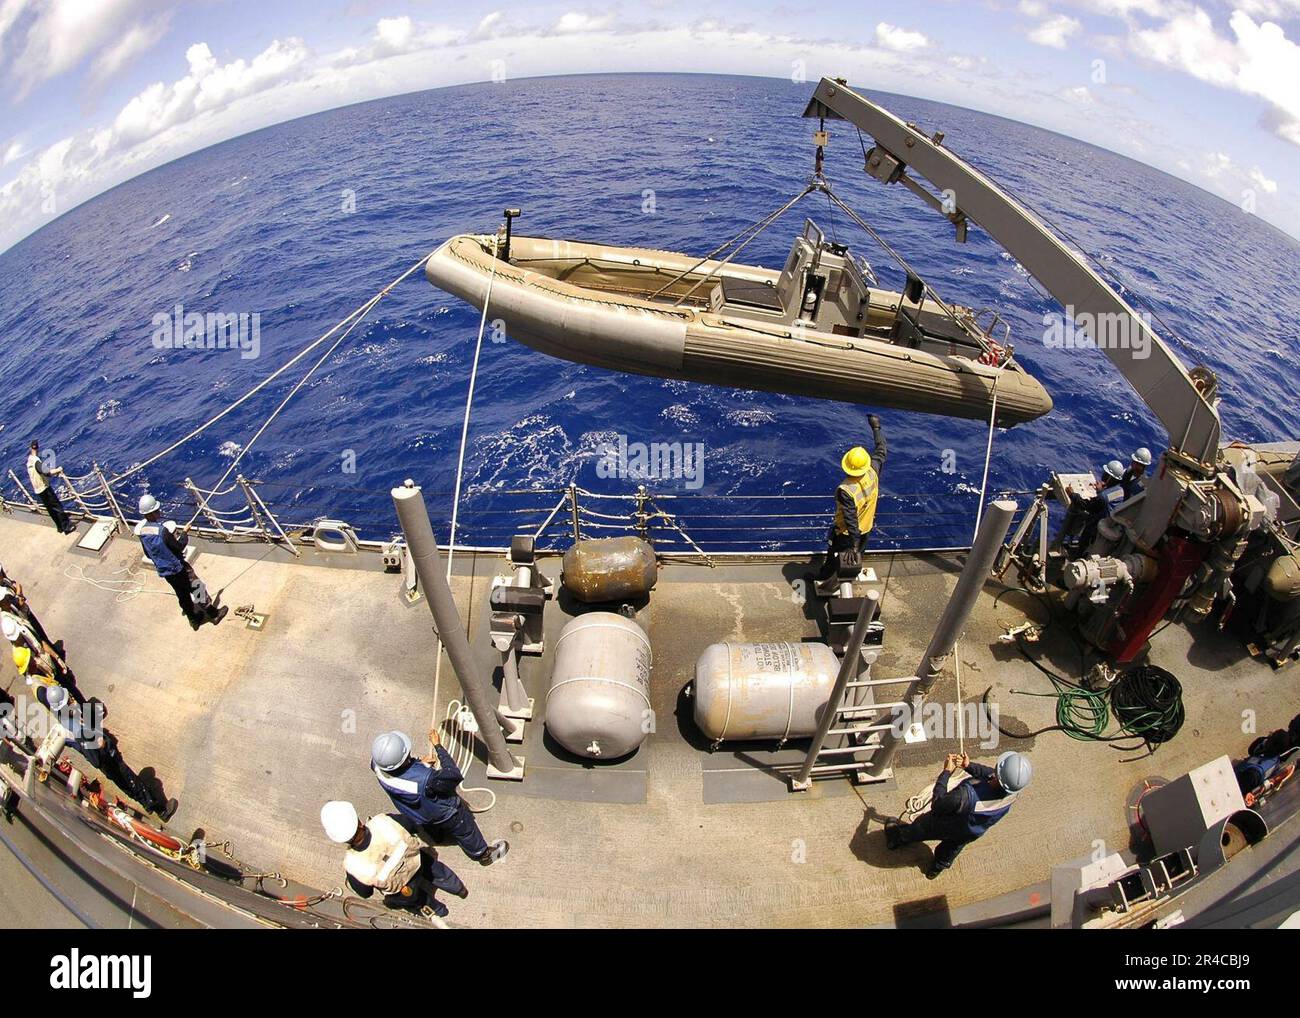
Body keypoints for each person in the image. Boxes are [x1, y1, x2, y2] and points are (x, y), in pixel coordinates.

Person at [371, 728, 509, 866]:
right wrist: (438, 746)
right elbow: (453, 775)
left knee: (431, 825)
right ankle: (483, 855)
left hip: (419, 815)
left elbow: (401, 772)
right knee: (466, 832)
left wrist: (420, 764)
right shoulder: (426, 780)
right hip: (446, 814)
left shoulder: (378, 766)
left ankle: (437, 836)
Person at [885, 750, 1031, 879]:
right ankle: (936, 869)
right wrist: (968, 766)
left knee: (921, 827)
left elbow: (937, 805)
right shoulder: (1012, 792)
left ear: (999, 775)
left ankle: (897, 838)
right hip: (970, 832)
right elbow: (989, 774)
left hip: (946, 824)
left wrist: (946, 772)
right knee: (950, 849)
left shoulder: (963, 797)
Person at [42, 685, 177, 820]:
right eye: (68, 700)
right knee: (130, 782)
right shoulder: (77, 730)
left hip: (107, 756)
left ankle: (148, 801)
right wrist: (101, 746)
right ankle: (160, 810)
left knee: (129, 783)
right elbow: (95, 760)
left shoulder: (62, 715)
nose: (71, 700)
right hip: (108, 760)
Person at [321, 801, 468, 919]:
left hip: (402, 889)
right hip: (418, 861)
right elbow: (411, 825)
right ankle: (459, 889)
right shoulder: (384, 822)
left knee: (417, 902)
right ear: (358, 821)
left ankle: (439, 912)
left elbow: (366, 893)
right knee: (437, 871)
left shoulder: (353, 865)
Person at [135, 494, 227, 630]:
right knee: (197, 587)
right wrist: (184, 533)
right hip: (179, 569)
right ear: (153, 512)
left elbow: (148, 554)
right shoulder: (163, 531)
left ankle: (193, 619)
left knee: (182, 594)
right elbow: (179, 546)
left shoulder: (143, 532)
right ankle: (214, 614)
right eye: (157, 510)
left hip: (165, 572)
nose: (159, 511)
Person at [820, 414, 887, 582]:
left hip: (846, 534)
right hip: (867, 527)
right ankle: (848, 577)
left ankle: (822, 580)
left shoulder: (846, 490)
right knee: (856, 557)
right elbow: (881, 449)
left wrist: (852, 545)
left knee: (833, 556)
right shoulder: (873, 469)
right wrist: (876, 428)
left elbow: (850, 519)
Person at [2, 611, 85, 705]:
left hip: (49, 665)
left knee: (69, 685)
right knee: (63, 699)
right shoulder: (19, 655)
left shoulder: (25, 632)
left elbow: (41, 643)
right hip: (46, 679)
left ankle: (86, 708)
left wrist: (57, 657)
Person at [26, 440, 74, 534]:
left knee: (50, 509)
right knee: (57, 506)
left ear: (30, 448)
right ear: (38, 448)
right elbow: (46, 472)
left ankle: (59, 527)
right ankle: (67, 527)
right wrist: (58, 470)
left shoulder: (29, 461)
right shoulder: (36, 461)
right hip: (44, 488)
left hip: (38, 489)